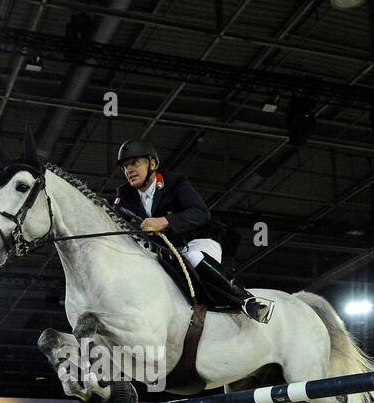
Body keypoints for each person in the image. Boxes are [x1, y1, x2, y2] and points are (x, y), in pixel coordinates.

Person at [113, 138, 273, 323]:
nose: (129, 170)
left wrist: (165, 221)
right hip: (164, 253)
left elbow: (200, 213)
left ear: (153, 163)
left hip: (196, 241)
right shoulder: (124, 195)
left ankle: (246, 300)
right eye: (125, 166)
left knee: (192, 256)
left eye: (134, 163)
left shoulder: (174, 181)